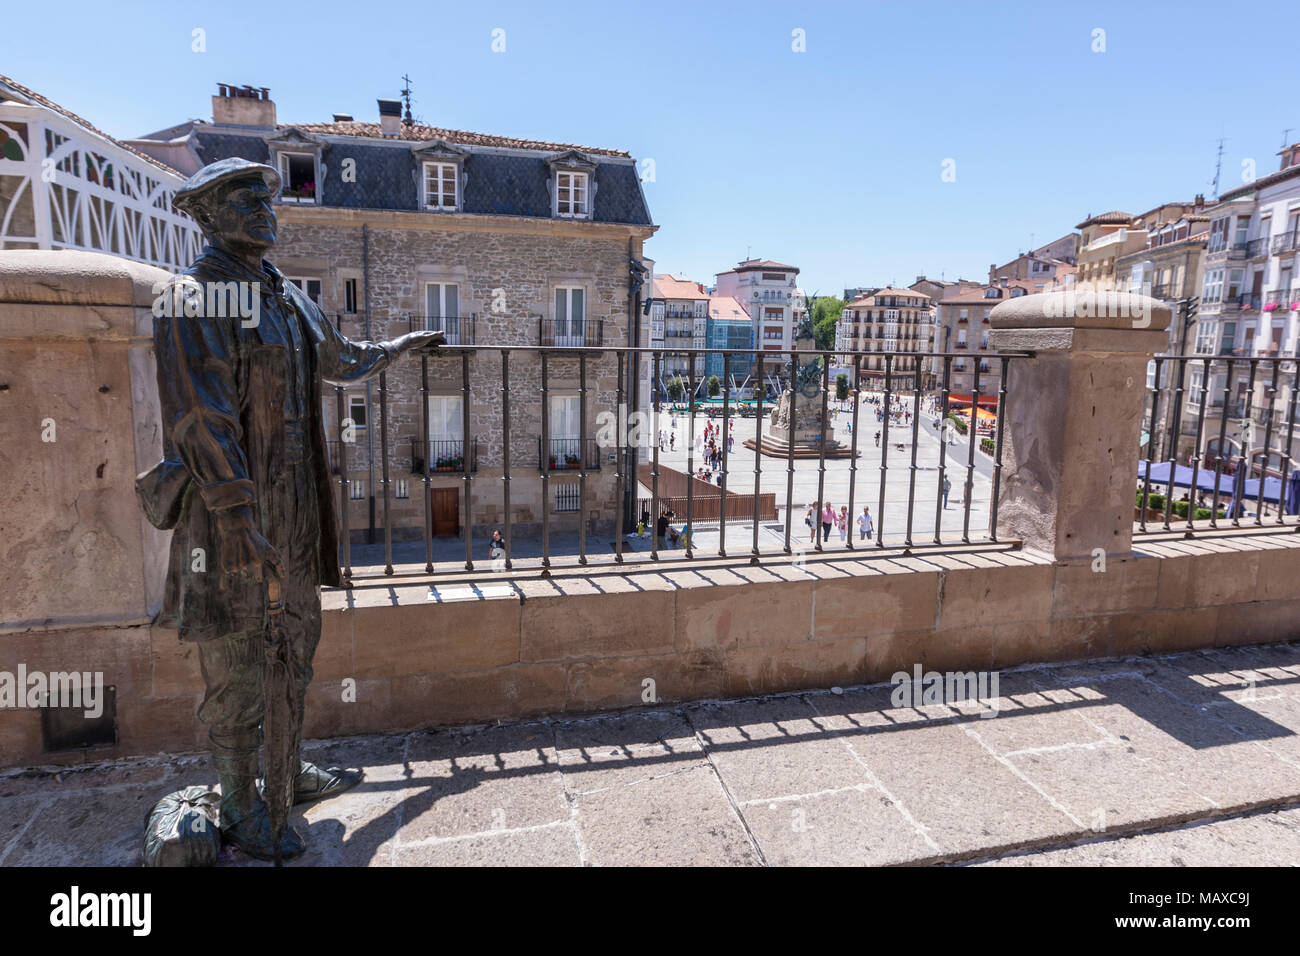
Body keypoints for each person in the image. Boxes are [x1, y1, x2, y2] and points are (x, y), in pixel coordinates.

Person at [138, 158, 442, 861]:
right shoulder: (196, 299)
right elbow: (199, 422)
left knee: (296, 651)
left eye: (267, 196)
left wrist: (401, 347)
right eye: (245, 198)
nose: (265, 208)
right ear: (207, 215)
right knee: (239, 665)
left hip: (299, 511)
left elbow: (343, 358)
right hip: (232, 517)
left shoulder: (287, 299)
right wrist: (241, 523)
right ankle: (242, 804)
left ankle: (286, 768)